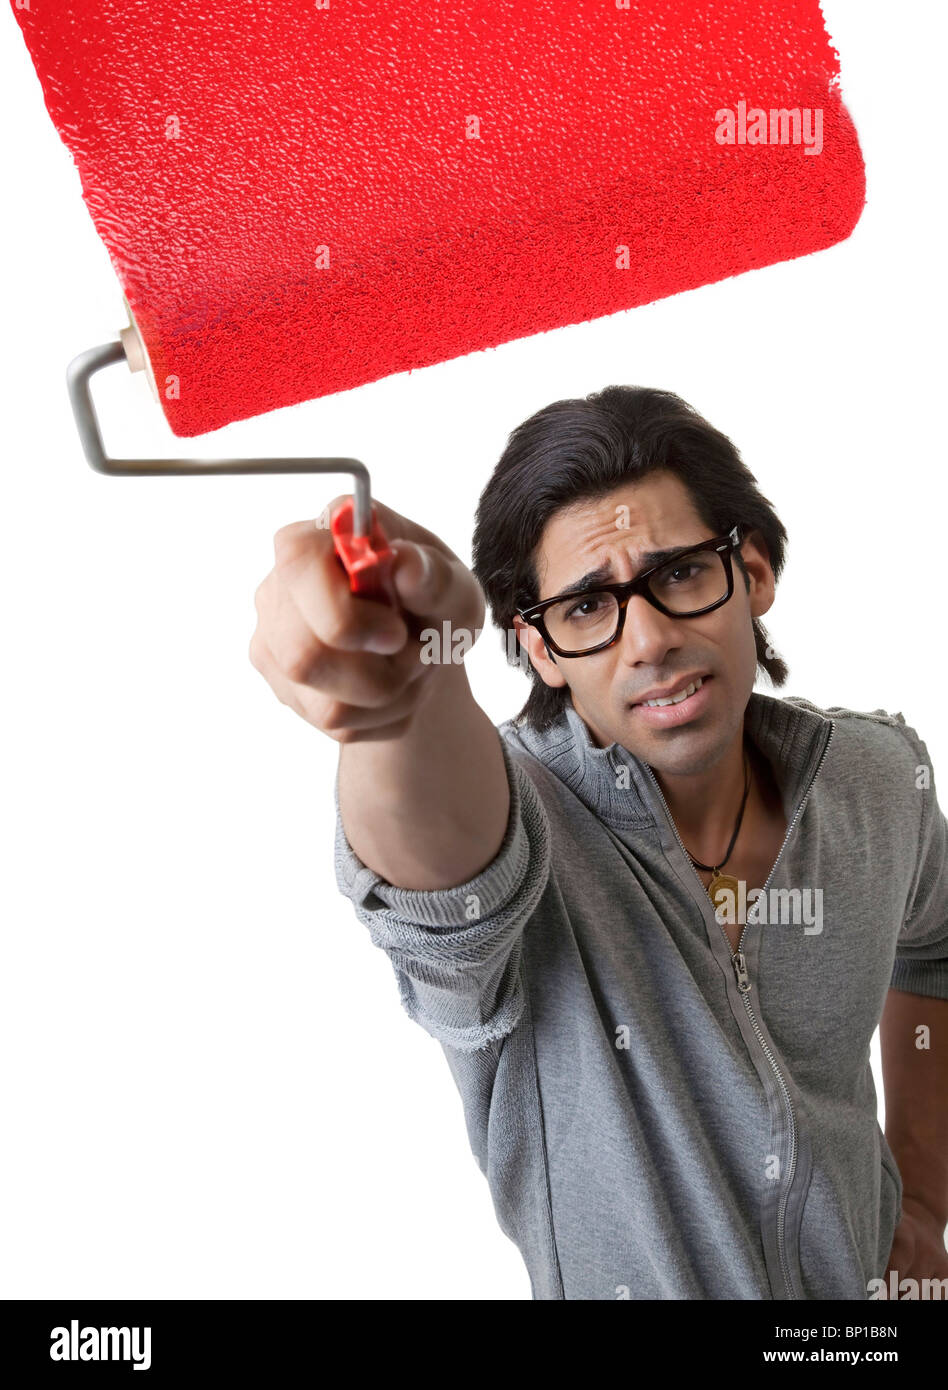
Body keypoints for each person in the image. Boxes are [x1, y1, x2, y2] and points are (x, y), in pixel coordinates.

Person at [249, 385, 948, 1300]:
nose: (649, 640)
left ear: (757, 572)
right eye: (585, 609)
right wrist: (407, 700)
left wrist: (926, 1209)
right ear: (538, 651)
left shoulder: (877, 781)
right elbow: (447, 891)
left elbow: (932, 953)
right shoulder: (513, 814)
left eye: (681, 574)